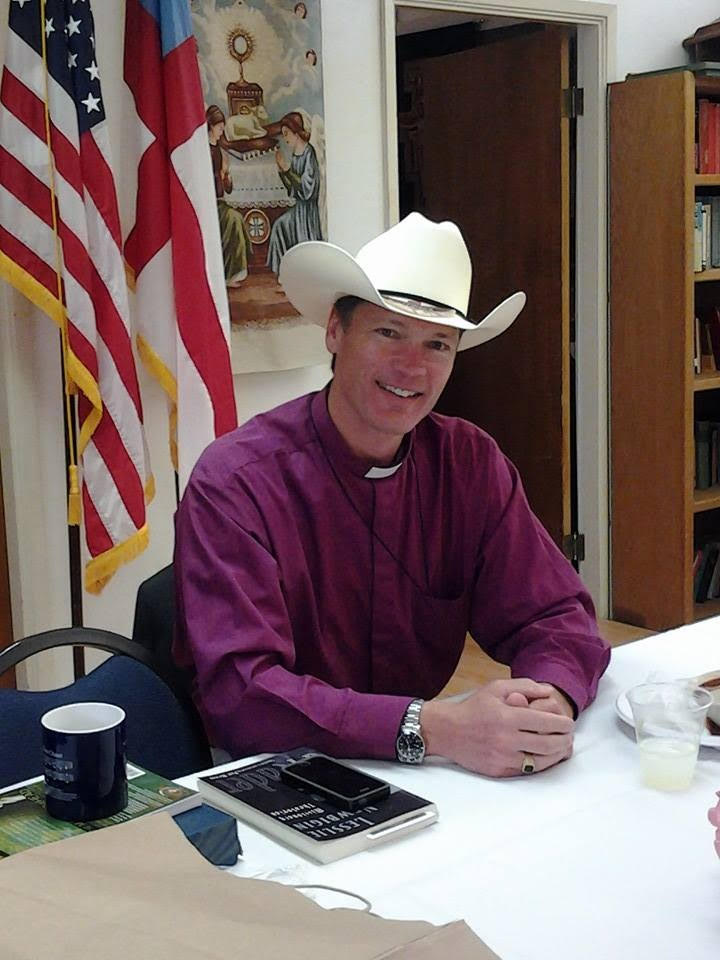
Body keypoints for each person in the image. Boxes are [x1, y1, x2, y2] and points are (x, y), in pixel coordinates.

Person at [174, 213, 610, 778]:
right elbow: (244, 697)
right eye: (388, 333)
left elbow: (556, 614)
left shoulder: (469, 464)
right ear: (335, 331)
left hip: (423, 772)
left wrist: (550, 697)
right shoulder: (236, 484)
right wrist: (430, 728)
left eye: (438, 344)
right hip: (272, 773)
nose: (413, 366)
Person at [265, 112, 322, 274]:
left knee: (301, 244)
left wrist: (287, 169)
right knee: (279, 226)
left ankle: (301, 275)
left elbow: (308, 189)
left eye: (286, 134)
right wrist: (282, 171)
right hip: (298, 209)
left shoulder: (308, 153)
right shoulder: (295, 155)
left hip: (307, 213)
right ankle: (283, 273)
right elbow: (292, 190)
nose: (285, 138)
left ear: (296, 132)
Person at [206, 104, 252, 287]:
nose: (221, 131)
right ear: (210, 126)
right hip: (209, 204)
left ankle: (233, 272)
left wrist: (226, 174)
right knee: (233, 219)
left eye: (222, 127)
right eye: (219, 127)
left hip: (220, 201)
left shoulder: (219, 150)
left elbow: (228, 187)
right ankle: (226, 273)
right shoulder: (203, 150)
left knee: (237, 218)